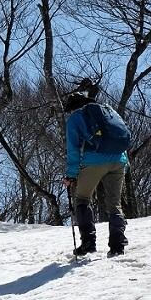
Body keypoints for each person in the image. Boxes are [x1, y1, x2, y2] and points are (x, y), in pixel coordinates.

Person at [62, 79, 129, 257]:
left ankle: (88, 243)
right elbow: (121, 136)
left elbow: (73, 149)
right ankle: (117, 246)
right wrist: (125, 163)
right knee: (115, 204)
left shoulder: (75, 118)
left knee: (82, 198)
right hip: (119, 160)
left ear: (72, 107)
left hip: (94, 161)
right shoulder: (109, 111)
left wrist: (71, 175)